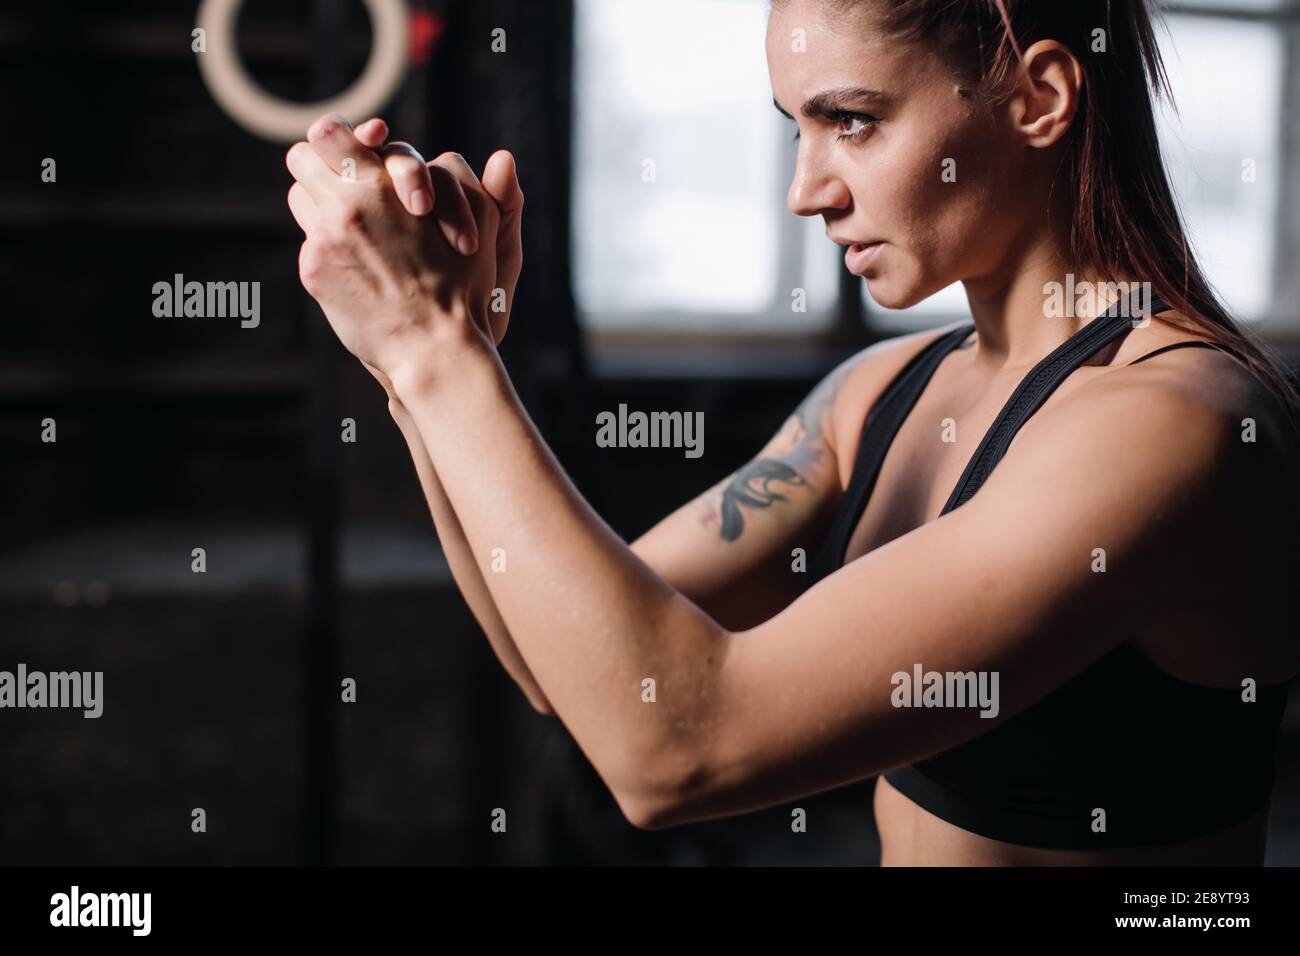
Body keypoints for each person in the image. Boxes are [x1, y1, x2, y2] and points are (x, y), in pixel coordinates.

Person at [284, 0, 1300, 865]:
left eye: (852, 120)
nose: (806, 190)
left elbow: (676, 745)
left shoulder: (1176, 429)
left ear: (1037, 97)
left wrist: (435, 352)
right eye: (796, 130)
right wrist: (423, 361)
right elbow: (563, 671)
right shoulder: (881, 391)